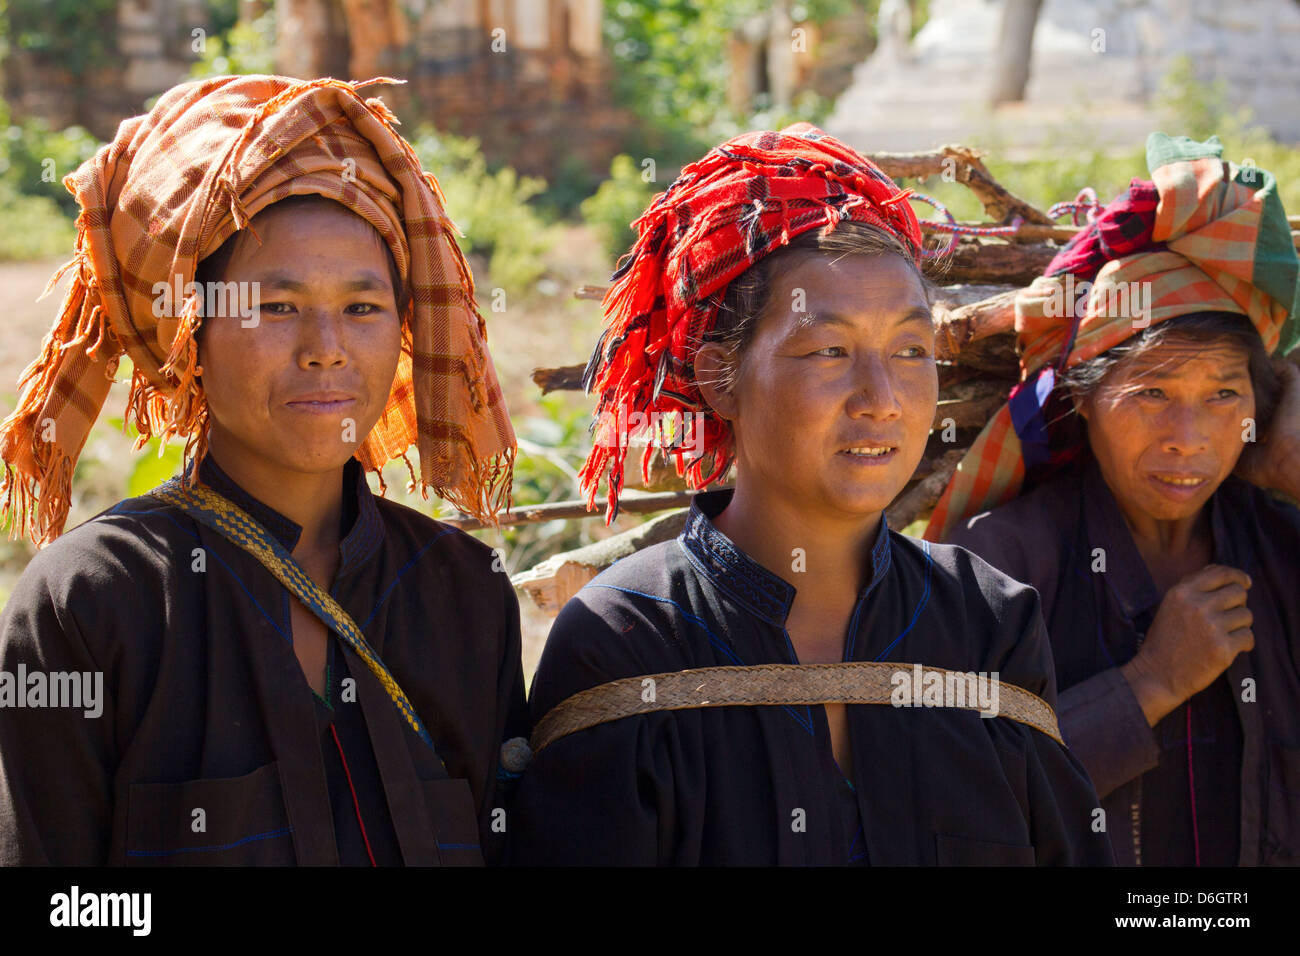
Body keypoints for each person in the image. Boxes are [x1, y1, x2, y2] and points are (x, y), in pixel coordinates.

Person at [509, 124, 1113, 865]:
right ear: (716, 377)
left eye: (910, 350)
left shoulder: (989, 623)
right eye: (829, 351)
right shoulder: (627, 640)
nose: (882, 398)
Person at [0, 75, 527, 866]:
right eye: (275, 308)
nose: (325, 347)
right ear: (191, 336)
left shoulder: (460, 591)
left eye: (362, 307)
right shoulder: (93, 604)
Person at [934, 132, 1300, 865]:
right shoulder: (997, 564)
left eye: (1224, 395)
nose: (1188, 438)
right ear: (1085, 403)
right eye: (1152, 394)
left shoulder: (1282, 547)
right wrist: (1149, 684)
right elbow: (945, 797)